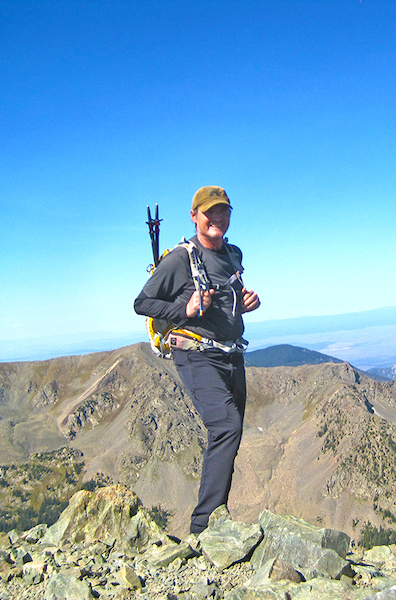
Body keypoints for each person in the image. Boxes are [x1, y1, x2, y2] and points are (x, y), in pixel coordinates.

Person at [134, 185, 260, 534]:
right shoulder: (180, 258)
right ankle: (203, 527)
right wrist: (184, 309)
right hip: (195, 354)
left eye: (223, 211)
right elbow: (142, 303)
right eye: (210, 212)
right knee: (226, 426)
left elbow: (228, 301)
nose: (218, 217)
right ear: (194, 216)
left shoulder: (233, 254)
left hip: (232, 355)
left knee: (230, 434)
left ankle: (216, 519)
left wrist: (246, 304)